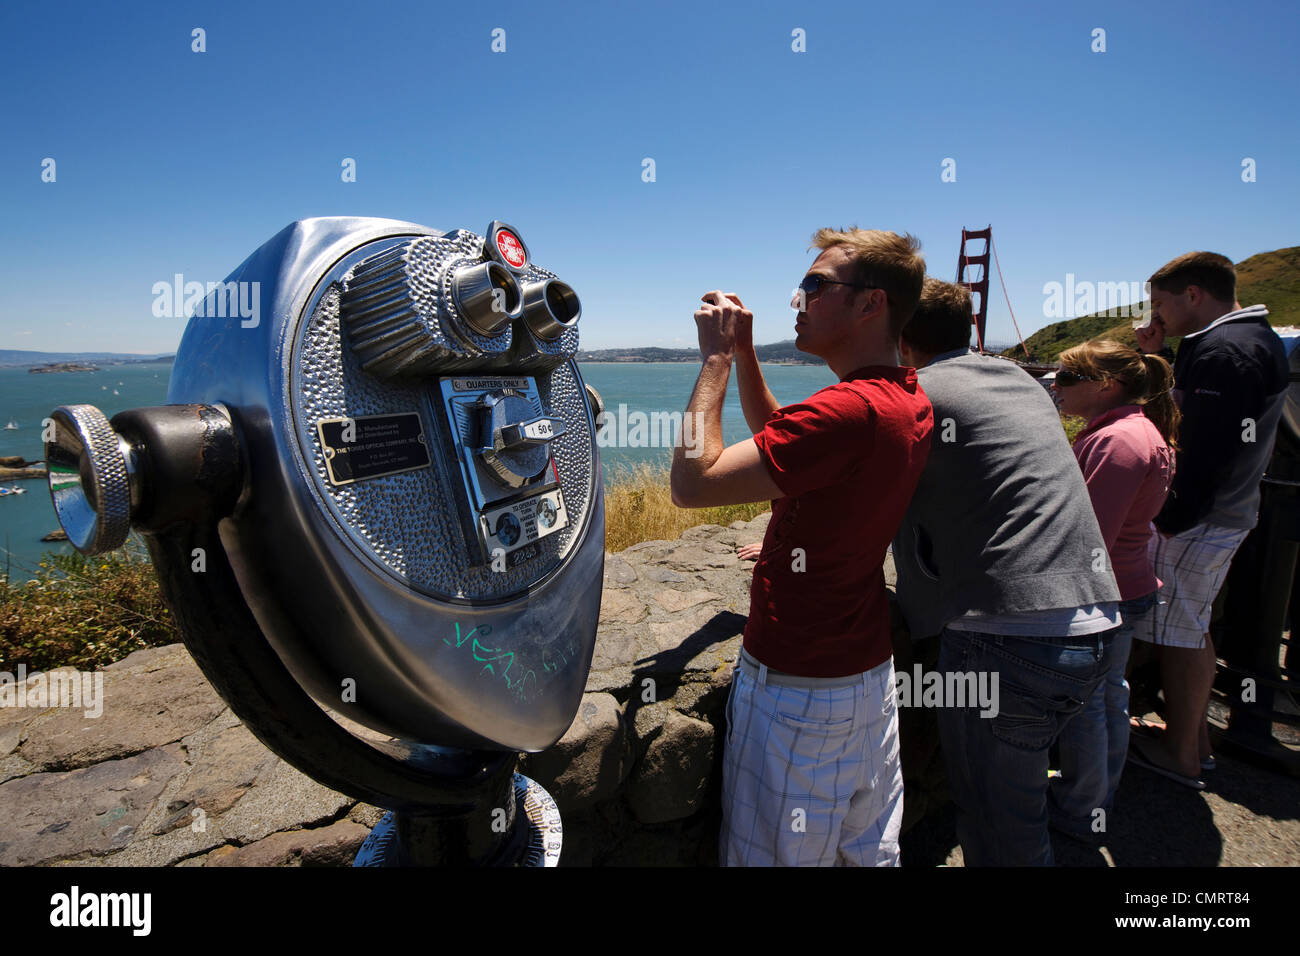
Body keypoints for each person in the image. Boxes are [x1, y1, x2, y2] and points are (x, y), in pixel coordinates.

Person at [670, 227, 931, 866]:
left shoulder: (849, 412)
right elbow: (786, 438)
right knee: (865, 851)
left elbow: (691, 482)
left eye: (817, 285)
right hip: (864, 676)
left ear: (871, 304)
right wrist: (750, 351)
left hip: (800, 691)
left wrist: (716, 361)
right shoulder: (903, 395)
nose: (798, 298)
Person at [892, 278, 1121, 866]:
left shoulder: (913, 393)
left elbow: (878, 503)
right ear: (969, 329)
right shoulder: (1019, 379)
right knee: (1023, 812)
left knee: (1001, 828)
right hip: (1096, 623)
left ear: (898, 336)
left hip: (1007, 643)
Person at [1129, 251, 1289, 788]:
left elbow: (1207, 453)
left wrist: (1170, 518)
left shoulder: (1227, 354)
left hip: (1202, 518)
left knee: (1179, 635)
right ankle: (1192, 741)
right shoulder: (1243, 341)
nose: (1157, 315)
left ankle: (1182, 757)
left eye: (1160, 304)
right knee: (1190, 628)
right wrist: (1163, 355)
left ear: (1192, 294)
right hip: (1226, 513)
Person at [1049, 339, 1177, 833]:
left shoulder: (1115, 442)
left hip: (1106, 593)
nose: (1055, 386)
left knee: (1087, 704)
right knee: (1108, 696)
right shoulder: (1138, 431)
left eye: (1066, 378)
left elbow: (1089, 536)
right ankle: (1097, 797)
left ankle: (1082, 807)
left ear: (1105, 385)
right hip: (1129, 583)